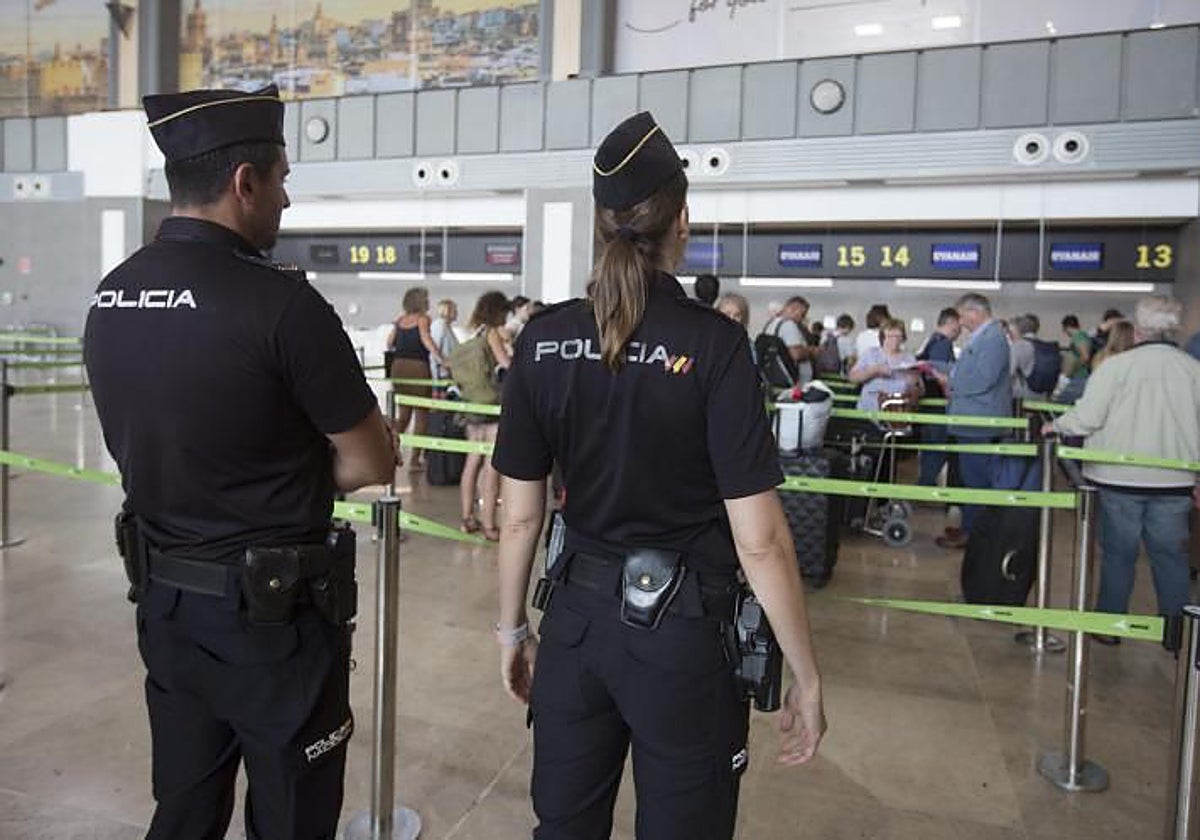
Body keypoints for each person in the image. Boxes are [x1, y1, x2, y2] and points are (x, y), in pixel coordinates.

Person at [492, 111, 825, 840]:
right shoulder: (716, 345)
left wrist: (514, 626)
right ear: (683, 219)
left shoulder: (543, 340)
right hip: (683, 641)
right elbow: (761, 540)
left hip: (575, 628)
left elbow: (521, 516)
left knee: (565, 825)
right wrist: (805, 671)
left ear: (602, 223)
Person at [83, 85, 397, 840]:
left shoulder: (112, 295)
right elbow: (370, 460)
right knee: (292, 816)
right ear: (244, 183)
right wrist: (280, 476)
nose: (286, 199)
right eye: (282, 178)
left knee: (185, 810)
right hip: (273, 626)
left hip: (166, 609)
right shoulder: (284, 307)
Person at [1045, 296, 1200, 643]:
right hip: (1175, 479)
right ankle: (1177, 634)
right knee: (1170, 556)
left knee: (1118, 554)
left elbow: (1088, 417)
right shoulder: (1193, 370)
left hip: (1117, 478)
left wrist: (1055, 426)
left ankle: (1111, 626)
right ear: (1173, 328)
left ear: (1139, 328)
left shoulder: (1116, 367)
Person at [932, 293, 1011, 549]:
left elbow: (983, 378)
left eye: (963, 316)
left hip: (979, 423)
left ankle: (975, 534)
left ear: (976, 312)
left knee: (976, 480)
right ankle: (969, 527)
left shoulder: (993, 339)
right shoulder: (984, 338)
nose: (961, 323)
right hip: (972, 421)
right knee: (970, 477)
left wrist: (950, 382)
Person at [456, 290, 512, 541]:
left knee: (471, 463)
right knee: (491, 468)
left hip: (471, 404)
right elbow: (507, 364)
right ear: (497, 311)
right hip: (490, 405)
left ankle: (467, 518)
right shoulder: (491, 333)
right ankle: (489, 525)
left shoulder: (473, 332)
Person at [386, 286, 444, 470]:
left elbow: (389, 342)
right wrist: (442, 359)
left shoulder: (400, 320)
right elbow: (426, 340)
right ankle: (414, 460)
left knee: (403, 415)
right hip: (417, 368)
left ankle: (388, 452)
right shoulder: (423, 319)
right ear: (421, 301)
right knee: (421, 415)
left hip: (399, 367)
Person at [915, 307, 961, 487]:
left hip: (927, 403)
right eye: (959, 325)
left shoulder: (930, 340)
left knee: (930, 448)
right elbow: (941, 374)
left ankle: (925, 483)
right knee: (938, 448)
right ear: (950, 323)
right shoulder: (943, 344)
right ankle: (924, 485)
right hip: (939, 405)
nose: (960, 329)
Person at [848, 317, 920, 412]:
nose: (895, 340)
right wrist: (873, 370)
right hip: (869, 410)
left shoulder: (909, 358)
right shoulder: (871, 353)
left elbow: (921, 390)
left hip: (898, 411)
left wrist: (913, 384)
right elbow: (853, 377)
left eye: (898, 336)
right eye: (890, 336)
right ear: (883, 337)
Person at [760, 295, 816, 384]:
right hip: (795, 383)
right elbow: (796, 354)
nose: (802, 319)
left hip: (778, 377)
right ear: (794, 309)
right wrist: (812, 351)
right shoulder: (789, 325)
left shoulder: (771, 323)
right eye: (802, 314)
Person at [429, 297, 459, 380]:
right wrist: (443, 363)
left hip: (449, 371)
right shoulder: (440, 325)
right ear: (447, 310)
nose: (457, 312)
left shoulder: (447, 327)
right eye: (454, 310)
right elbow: (434, 348)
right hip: (442, 373)